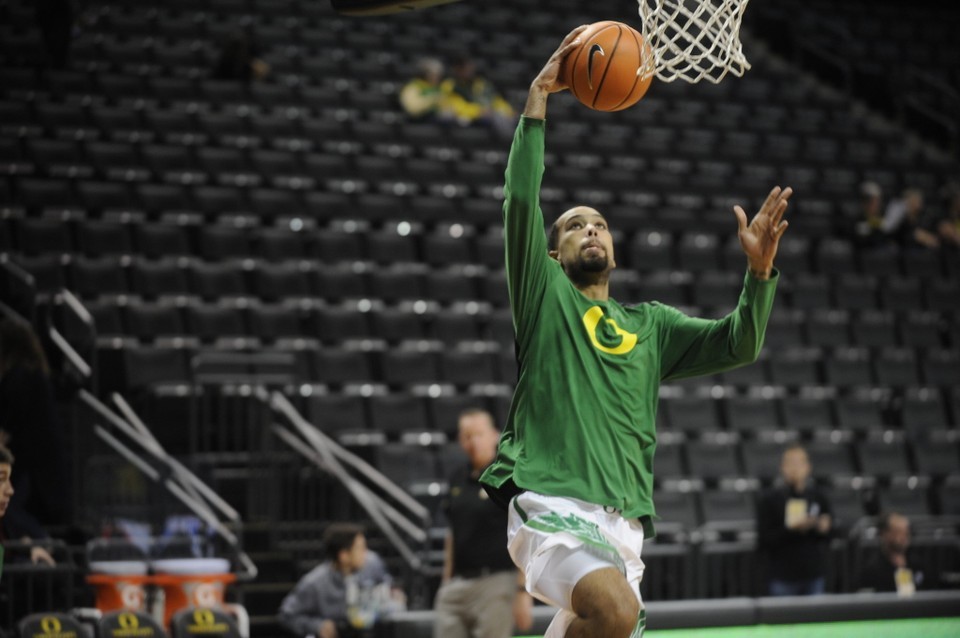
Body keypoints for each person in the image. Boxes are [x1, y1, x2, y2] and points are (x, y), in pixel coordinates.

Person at [478, 25, 791, 638]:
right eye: (572, 226)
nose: (590, 229)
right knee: (616, 614)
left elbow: (740, 343)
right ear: (552, 253)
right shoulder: (544, 297)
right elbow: (520, 202)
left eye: (598, 223)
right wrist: (539, 97)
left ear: (615, 251)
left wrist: (759, 273)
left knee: (599, 628)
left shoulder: (652, 325)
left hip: (624, 523)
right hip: (552, 503)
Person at [433, 409, 533, 638]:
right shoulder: (457, 477)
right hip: (456, 585)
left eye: (478, 434)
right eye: (467, 436)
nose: (473, 441)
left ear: (495, 435)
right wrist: (445, 581)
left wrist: (522, 591)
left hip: (496, 583)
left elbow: (524, 531)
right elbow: (452, 532)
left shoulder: (507, 477)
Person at [0, 318, 70, 528]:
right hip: (43, 475)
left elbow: (3, 434)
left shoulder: (19, 379)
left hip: (32, 478)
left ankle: (38, 543)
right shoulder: (35, 376)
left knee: (12, 512)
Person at [277, 523, 402, 638]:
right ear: (344, 555)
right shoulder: (315, 583)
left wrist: (395, 595)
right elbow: (287, 615)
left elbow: (389, 586)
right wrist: (318, 626)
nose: (366, 553)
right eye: (360, 548)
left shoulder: (372, 563)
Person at [757, 444, 832, 596]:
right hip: (783, 576)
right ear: (782, 467)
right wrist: (791, 529)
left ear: (808, 467)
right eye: (791, 463)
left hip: (813, 573)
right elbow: (764, 539)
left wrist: (822, 527)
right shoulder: (771, 499)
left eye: (800, 463)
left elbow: (829, 533)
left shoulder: (818, 497)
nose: (795, 468)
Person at [856, 512, 935, 595]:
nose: (904, 536)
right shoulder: (871, 569)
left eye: (906, 531)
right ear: (884, 533)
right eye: (898, 531)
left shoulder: (918, 564)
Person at [441, 54, 517, 136]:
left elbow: (495, 100)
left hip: (487, 115)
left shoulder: (480, 84)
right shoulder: (450, 85)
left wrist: (509, 111)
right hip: (468, 117)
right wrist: (479, 111)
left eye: (470, 67)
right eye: (465, 68)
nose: (469, 71)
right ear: (457, 69)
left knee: (506, 117)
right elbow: (456, 107)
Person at [399, 58, 452, 122]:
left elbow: (448, 107)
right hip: (419, 121)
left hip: (439, 122)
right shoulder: (413, 87)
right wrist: (432, 99)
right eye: (433, 74)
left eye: (439, 74)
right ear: (425, 74)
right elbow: (412, 108)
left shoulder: (441, 88)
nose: (437, 77)